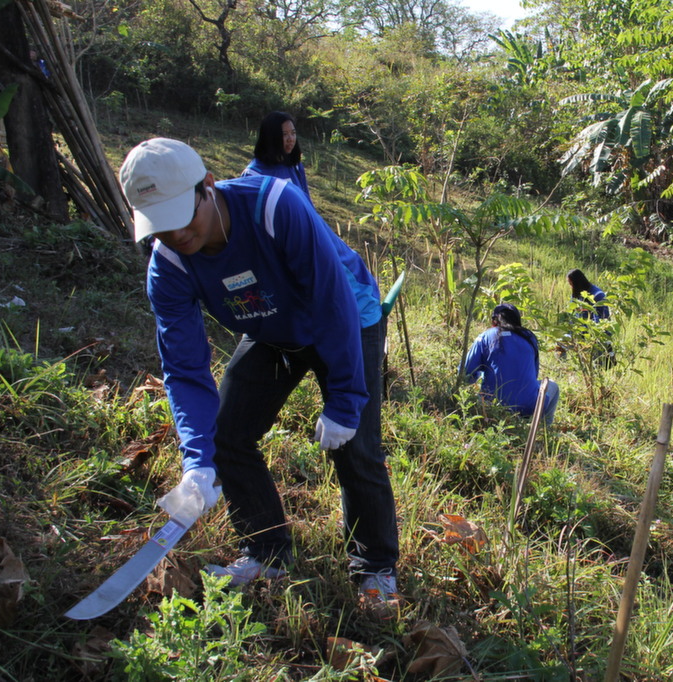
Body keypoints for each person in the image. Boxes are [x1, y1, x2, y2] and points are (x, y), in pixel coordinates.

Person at [119, 138, 400, 610]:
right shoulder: (168, 267)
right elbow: (184, 368)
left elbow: (332, 302)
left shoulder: (273, 207)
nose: (176, 235)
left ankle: (375, 567)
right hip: (271, 326)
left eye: (181, 216)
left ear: (207, 185)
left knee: (356, 448)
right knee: (224, 435)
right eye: (159, 226)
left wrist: (346, 401)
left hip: (347, 316)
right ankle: (266, 552)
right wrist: (196, 462)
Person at [462, 302, 560, 426]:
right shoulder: (529, 337)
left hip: (492, 405)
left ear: (494, 321)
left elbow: (466, 374)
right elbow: (533, 374)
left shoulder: (485, 337)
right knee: (553, 387)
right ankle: (544, 429)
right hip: (529, 405)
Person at [241, 111, 311, 203]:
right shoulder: (253, 174)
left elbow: (307, 204)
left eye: (293, 133)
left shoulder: (296, 166)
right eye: (284, 134)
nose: (291, 139)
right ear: (270, 137)